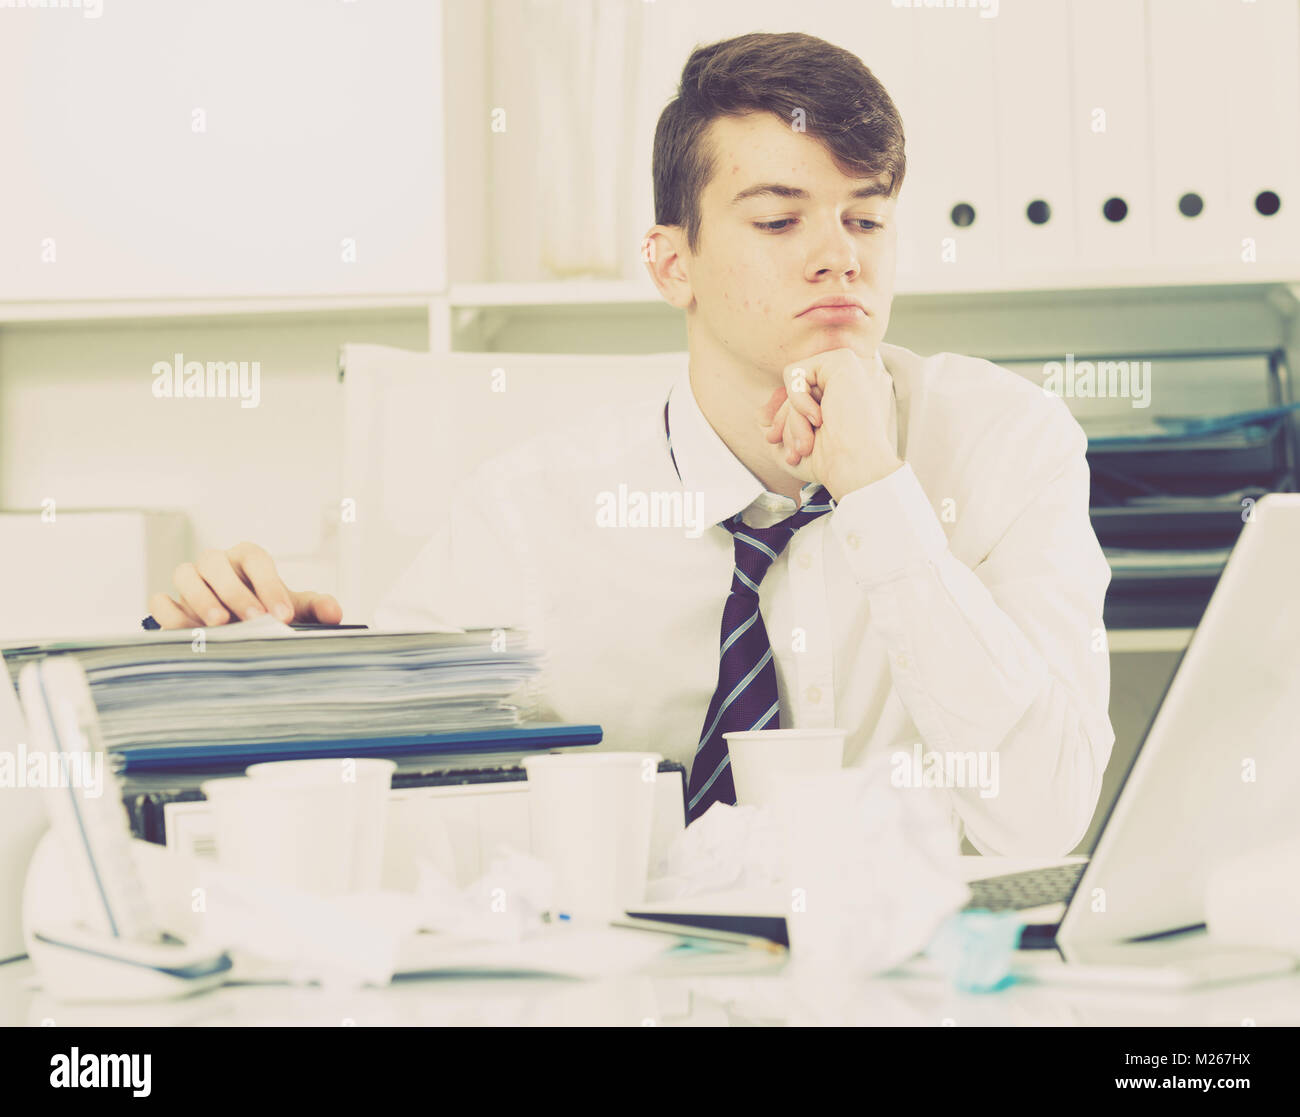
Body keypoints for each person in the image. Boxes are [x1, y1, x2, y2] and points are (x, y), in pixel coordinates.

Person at [148, 32, 1114, 856]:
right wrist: (265, 668)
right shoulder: (530, 514)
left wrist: (877, 494)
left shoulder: (1005, 447)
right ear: (671, 261)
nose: (841, 255)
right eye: (781, 219)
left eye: (867, 218)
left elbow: (1043, 816)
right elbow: (396, 788)